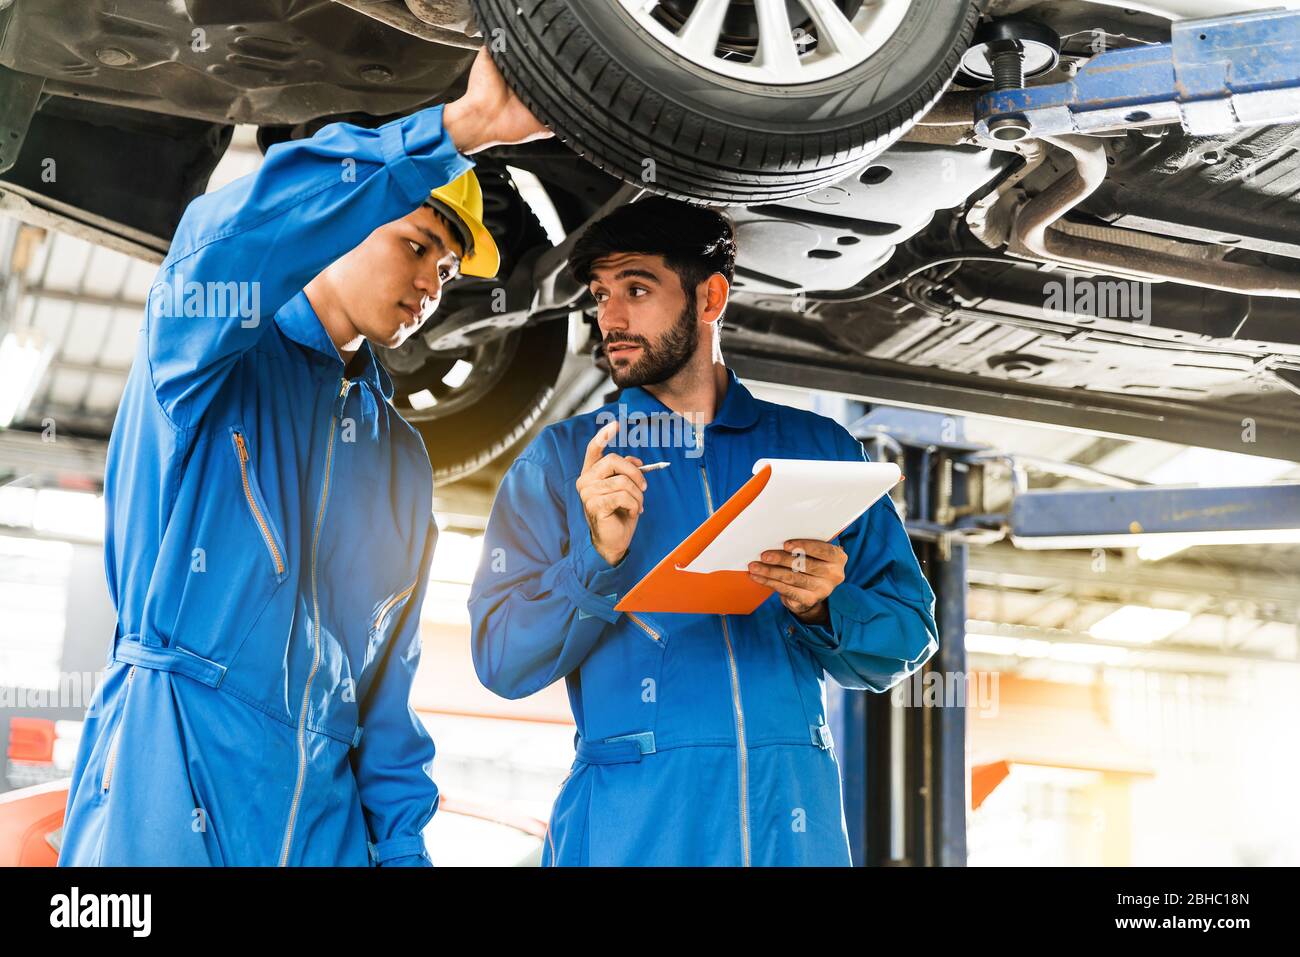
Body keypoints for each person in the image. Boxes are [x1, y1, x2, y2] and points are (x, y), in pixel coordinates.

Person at [59, 50, 550, 866]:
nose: (434, 283)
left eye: (450, 267)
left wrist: (402, 855)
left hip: (321, 831)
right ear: (351, 214)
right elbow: (223, 244)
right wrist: (450, 132)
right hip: (166, 785)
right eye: (419, 244)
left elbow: (384, 710)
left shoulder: (400, 463)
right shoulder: (209, 359)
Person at [468, 197, 940, 866]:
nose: (611, 317)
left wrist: (826, 603)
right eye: (602, 294)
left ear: (710, 295)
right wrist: (595, 558)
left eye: (636, 289)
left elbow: (907, 637)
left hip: (792, 830)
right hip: (635, 835)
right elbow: (501, 660)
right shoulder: (564, 462)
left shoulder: (817, 448)